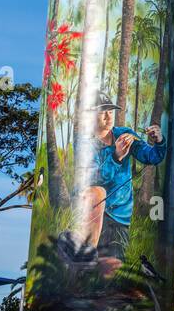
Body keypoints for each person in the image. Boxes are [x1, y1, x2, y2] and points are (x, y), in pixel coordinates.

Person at [56, 90, 166, 277]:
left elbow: (152, 157)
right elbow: (93, 177)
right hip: (93, 210)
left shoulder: (124, 134)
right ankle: (83, 252)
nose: (108, 116)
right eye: (102, 111)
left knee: (111, 271)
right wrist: (116, 157)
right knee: (98, 191)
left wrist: (159, 141)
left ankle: (81, 260)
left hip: (119, 217)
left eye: (110, 110)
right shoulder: (84, 143)